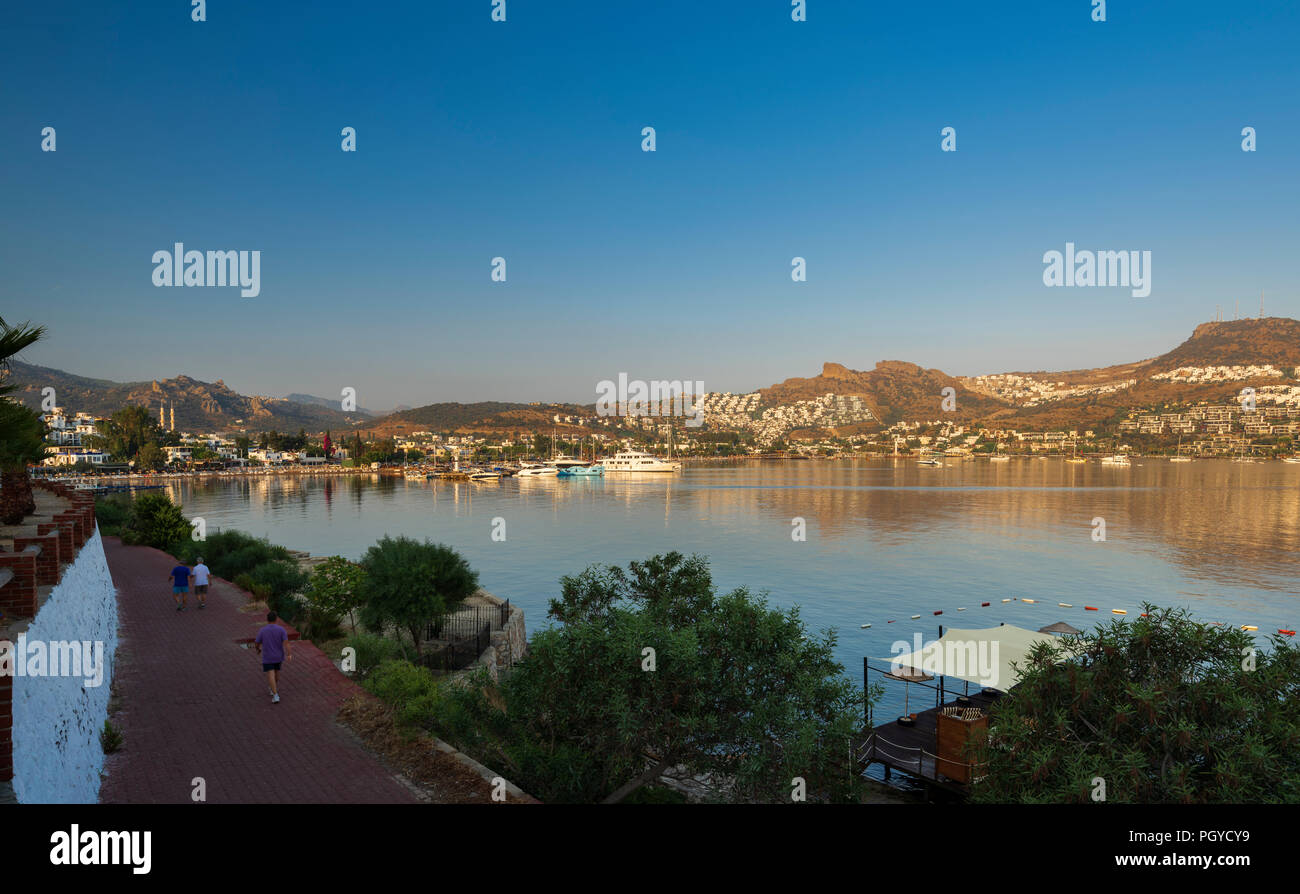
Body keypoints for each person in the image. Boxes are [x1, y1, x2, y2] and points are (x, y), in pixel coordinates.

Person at [254, 611, 291, 703]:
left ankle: (275, 695)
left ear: (267, 620)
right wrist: (289, 654)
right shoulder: (281, 630)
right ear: (276, 619)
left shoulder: (262, 630)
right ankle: (273, 689)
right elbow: (286, 643)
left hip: (267, 657)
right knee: (276, 675)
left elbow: (257, 642)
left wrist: (258, 649)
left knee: (271, 674)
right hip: (278, 656)